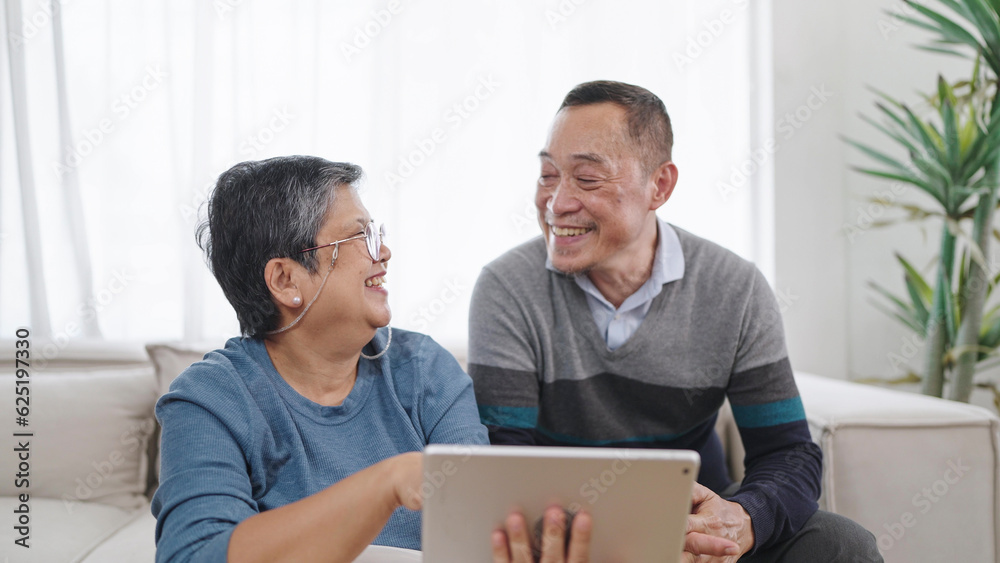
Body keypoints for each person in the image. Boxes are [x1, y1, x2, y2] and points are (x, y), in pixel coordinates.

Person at [468, 81, 883, 562]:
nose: (556, 202)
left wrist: (740, 520)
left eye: (586, 178)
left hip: (690, 537)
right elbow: (505, 461)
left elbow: (789, 453)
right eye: (547, 174)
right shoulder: (507, 288)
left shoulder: (734, 287)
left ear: (659, 186)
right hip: (564, 541)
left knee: (841, 545)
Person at [151, 156, 589, 562]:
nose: (383, 252)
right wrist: (387, 483)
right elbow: (195, 555)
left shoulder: (423, 370)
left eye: (376, 234)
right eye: (360, 236)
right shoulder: (209, 401)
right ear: (285, 279)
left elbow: (479, 528)